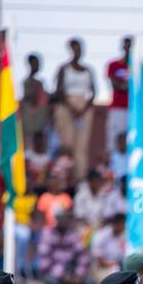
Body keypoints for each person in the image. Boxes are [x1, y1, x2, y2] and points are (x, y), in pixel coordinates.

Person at [53, 38, 96, 180]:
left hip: (84, 107)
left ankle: (80, 177)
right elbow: (59, 90)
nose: (78, 52)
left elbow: (93, 92)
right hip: (67, 106)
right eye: (75, 49)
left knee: (81, 146)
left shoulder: (88, 70)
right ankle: (64, 178)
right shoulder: (63, 69)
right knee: (67, 143)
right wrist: (72, 107)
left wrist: (83, 109)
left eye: (80, 49)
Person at [104, 35, 132, 150]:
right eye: (126, 45)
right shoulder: (113, 65)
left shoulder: (138, 66)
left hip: (133, 109)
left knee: (131, 139)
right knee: (113, 139)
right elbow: (115, 86)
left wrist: (124, 85)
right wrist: (128, 85)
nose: (128, 48)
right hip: (118, 108)